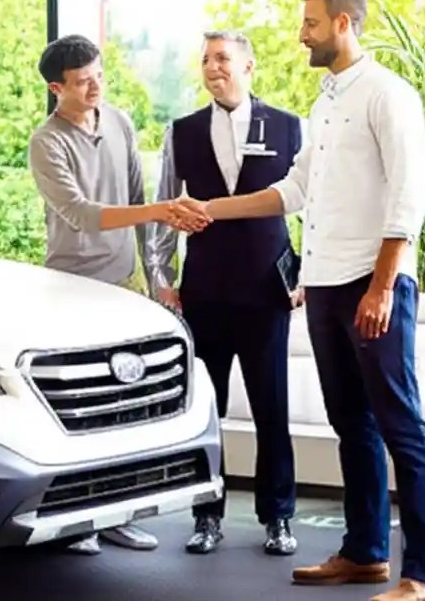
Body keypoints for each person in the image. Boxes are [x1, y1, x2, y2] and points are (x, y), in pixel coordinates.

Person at [181, 0, 425, 601]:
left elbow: (410, 198)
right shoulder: (326, 102)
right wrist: (209, 210)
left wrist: (383, 286)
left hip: (370, 282)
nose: (302, 33)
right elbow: (291, 193)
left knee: (399, 423)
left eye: (311, 23)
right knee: (350, 423)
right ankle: (365, 553)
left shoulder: (389, 95)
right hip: (323, 285)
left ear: (345, 24)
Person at [27, 33, 206, 556]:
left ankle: (118, 514)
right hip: (72, 287)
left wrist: (155, 280)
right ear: (56, 87)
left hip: (123, 285)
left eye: (99, 76)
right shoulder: (47, 142)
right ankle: (80, 523)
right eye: (82, 82)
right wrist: (159, 210)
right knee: (85, 415)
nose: (94, 87)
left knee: (128, 409)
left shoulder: (121, 123)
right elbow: (81, 214)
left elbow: (135, 201)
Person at [146, 30, 302, 556]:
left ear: (249, 66)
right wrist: (161, 280)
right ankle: (206, 515)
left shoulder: (287, 126)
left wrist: (307, 272)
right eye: (207, 59)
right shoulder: (182, 131)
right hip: (205, 292)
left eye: (223, 59)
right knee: (204, 412)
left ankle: (278, 517)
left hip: (266, 293)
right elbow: (166, 206)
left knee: (270, 411)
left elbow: (313, 204)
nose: (213, 67)